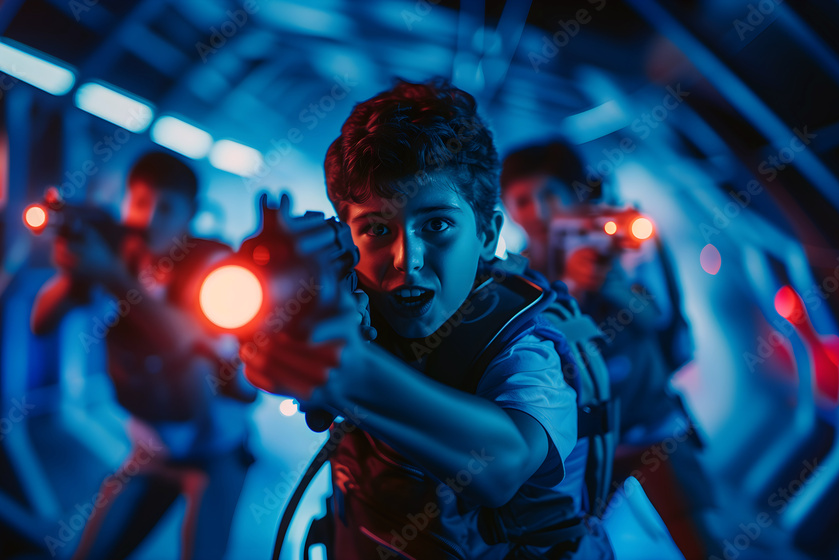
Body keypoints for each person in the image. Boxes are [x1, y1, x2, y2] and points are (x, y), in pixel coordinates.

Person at [243, 80, 614, 559]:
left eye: (436, 224)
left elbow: (505, 463)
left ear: (487, 234)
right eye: (376, 229)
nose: (407, 258)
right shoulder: (355, 305)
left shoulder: (523, 344)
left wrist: (356, 369)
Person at [31, 151, 255, 560]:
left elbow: (183, 339)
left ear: (191, 214)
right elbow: (42, 321)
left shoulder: (213, 263)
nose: (150, 218)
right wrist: (73, 270)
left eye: (166, 207)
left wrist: (111, 275)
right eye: (140, 203)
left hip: (216, 446)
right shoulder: (119, 253)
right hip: (151, 446)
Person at [500, 140, 717, 558]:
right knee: (568, 546)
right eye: (523, 201)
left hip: (654, 423)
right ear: (508, 209)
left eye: (549, 196)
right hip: (583, 440)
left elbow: (663, 318)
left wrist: (617, 288)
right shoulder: (517, 277)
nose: (538, 212)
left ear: (573, 194)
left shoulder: (622, 238)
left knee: (698, 538)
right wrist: (576, 290)